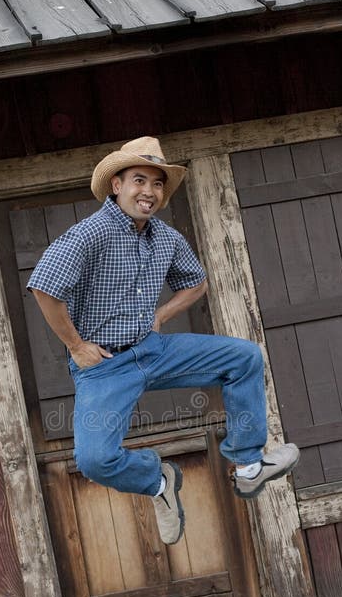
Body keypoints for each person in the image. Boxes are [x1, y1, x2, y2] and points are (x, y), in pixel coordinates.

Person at [28, 136, 299, 545]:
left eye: (157, 184)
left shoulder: (165, 238)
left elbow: (196, 283)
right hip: (106, 365)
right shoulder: (90, 234)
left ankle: (247, 466)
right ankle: (158, 481)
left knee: (243, 357)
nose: (149, 192)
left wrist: (161, 315)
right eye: (139, 180)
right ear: (116, 185)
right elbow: (45, 288)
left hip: (155, 351)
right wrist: (76, 345)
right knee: (95, 460)